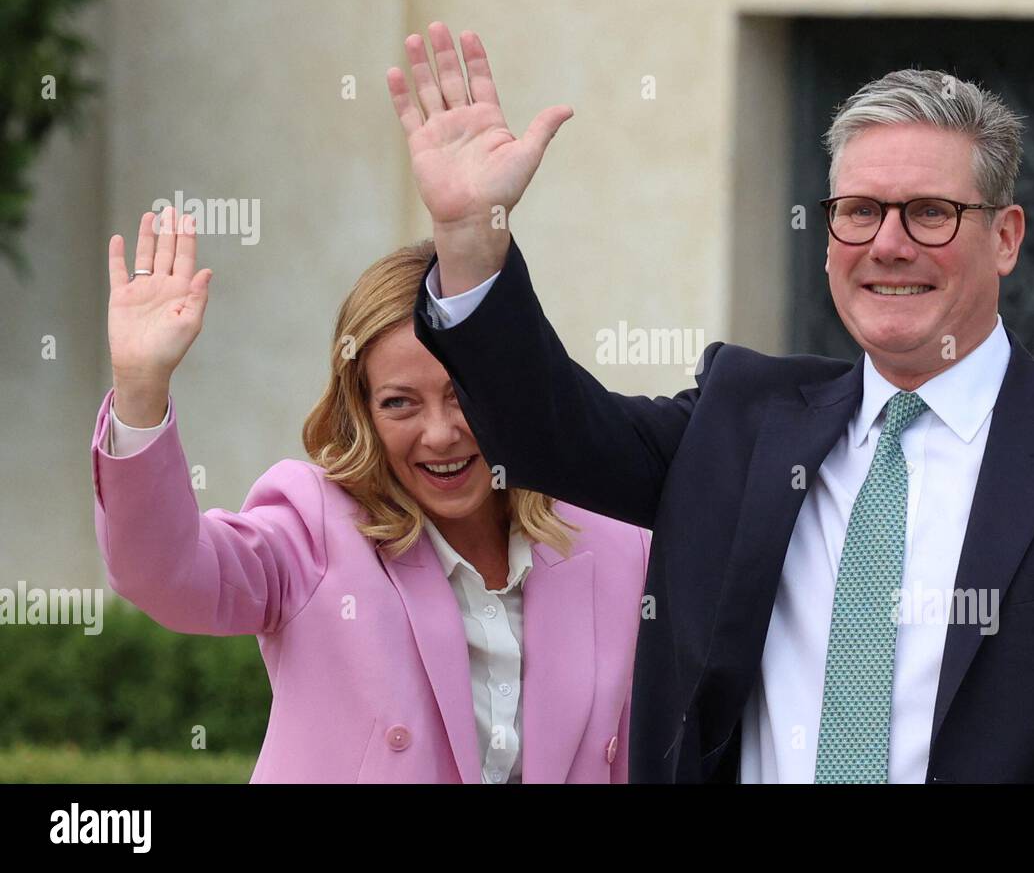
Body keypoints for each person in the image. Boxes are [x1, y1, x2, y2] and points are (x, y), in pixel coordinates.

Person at [387, 21, 1034, 783]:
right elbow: (544, 432)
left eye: (930, 212)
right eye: (859, 211)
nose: (888, 244)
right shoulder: (740, 423)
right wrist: (468, 237)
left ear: (1006, 237)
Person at [92, 208, 648, 783]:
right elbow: (164, 574)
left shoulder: (615, 542)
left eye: (463, 395)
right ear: (362, 413)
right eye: (399, 403)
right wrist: (141, 389)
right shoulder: (312, 526)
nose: (439, 434)